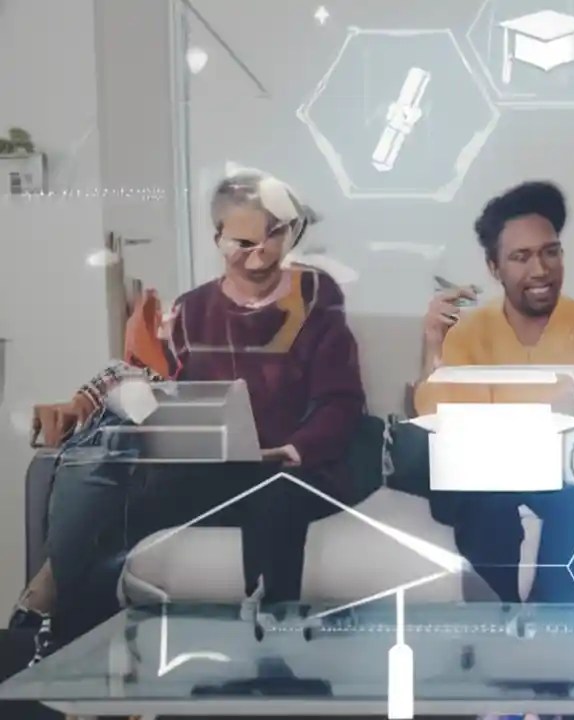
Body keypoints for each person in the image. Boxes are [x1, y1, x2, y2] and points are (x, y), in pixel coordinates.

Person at [11, 169, 366, 663]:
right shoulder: (193, 308)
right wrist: (87, 400)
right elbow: (148, 380)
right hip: (210, 470)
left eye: (274, 236)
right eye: (244, 242)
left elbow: (341, 401)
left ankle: (271, 656)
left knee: (271, 495)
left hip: (289, 467)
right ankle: (71, 639)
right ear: (218, 239)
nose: (261, 254)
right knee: (97, 473)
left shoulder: (316, 299)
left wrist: (292, 449)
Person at [414, 180, 574, 605]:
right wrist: (434, 348)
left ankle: (549, 622)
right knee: (483, 502)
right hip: (489, 465)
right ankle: (496, 627)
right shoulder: (470, 330)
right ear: (494, 268)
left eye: (550, 252)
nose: (540, 270)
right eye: (521, 257)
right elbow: (448, 422)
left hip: (563, 461)